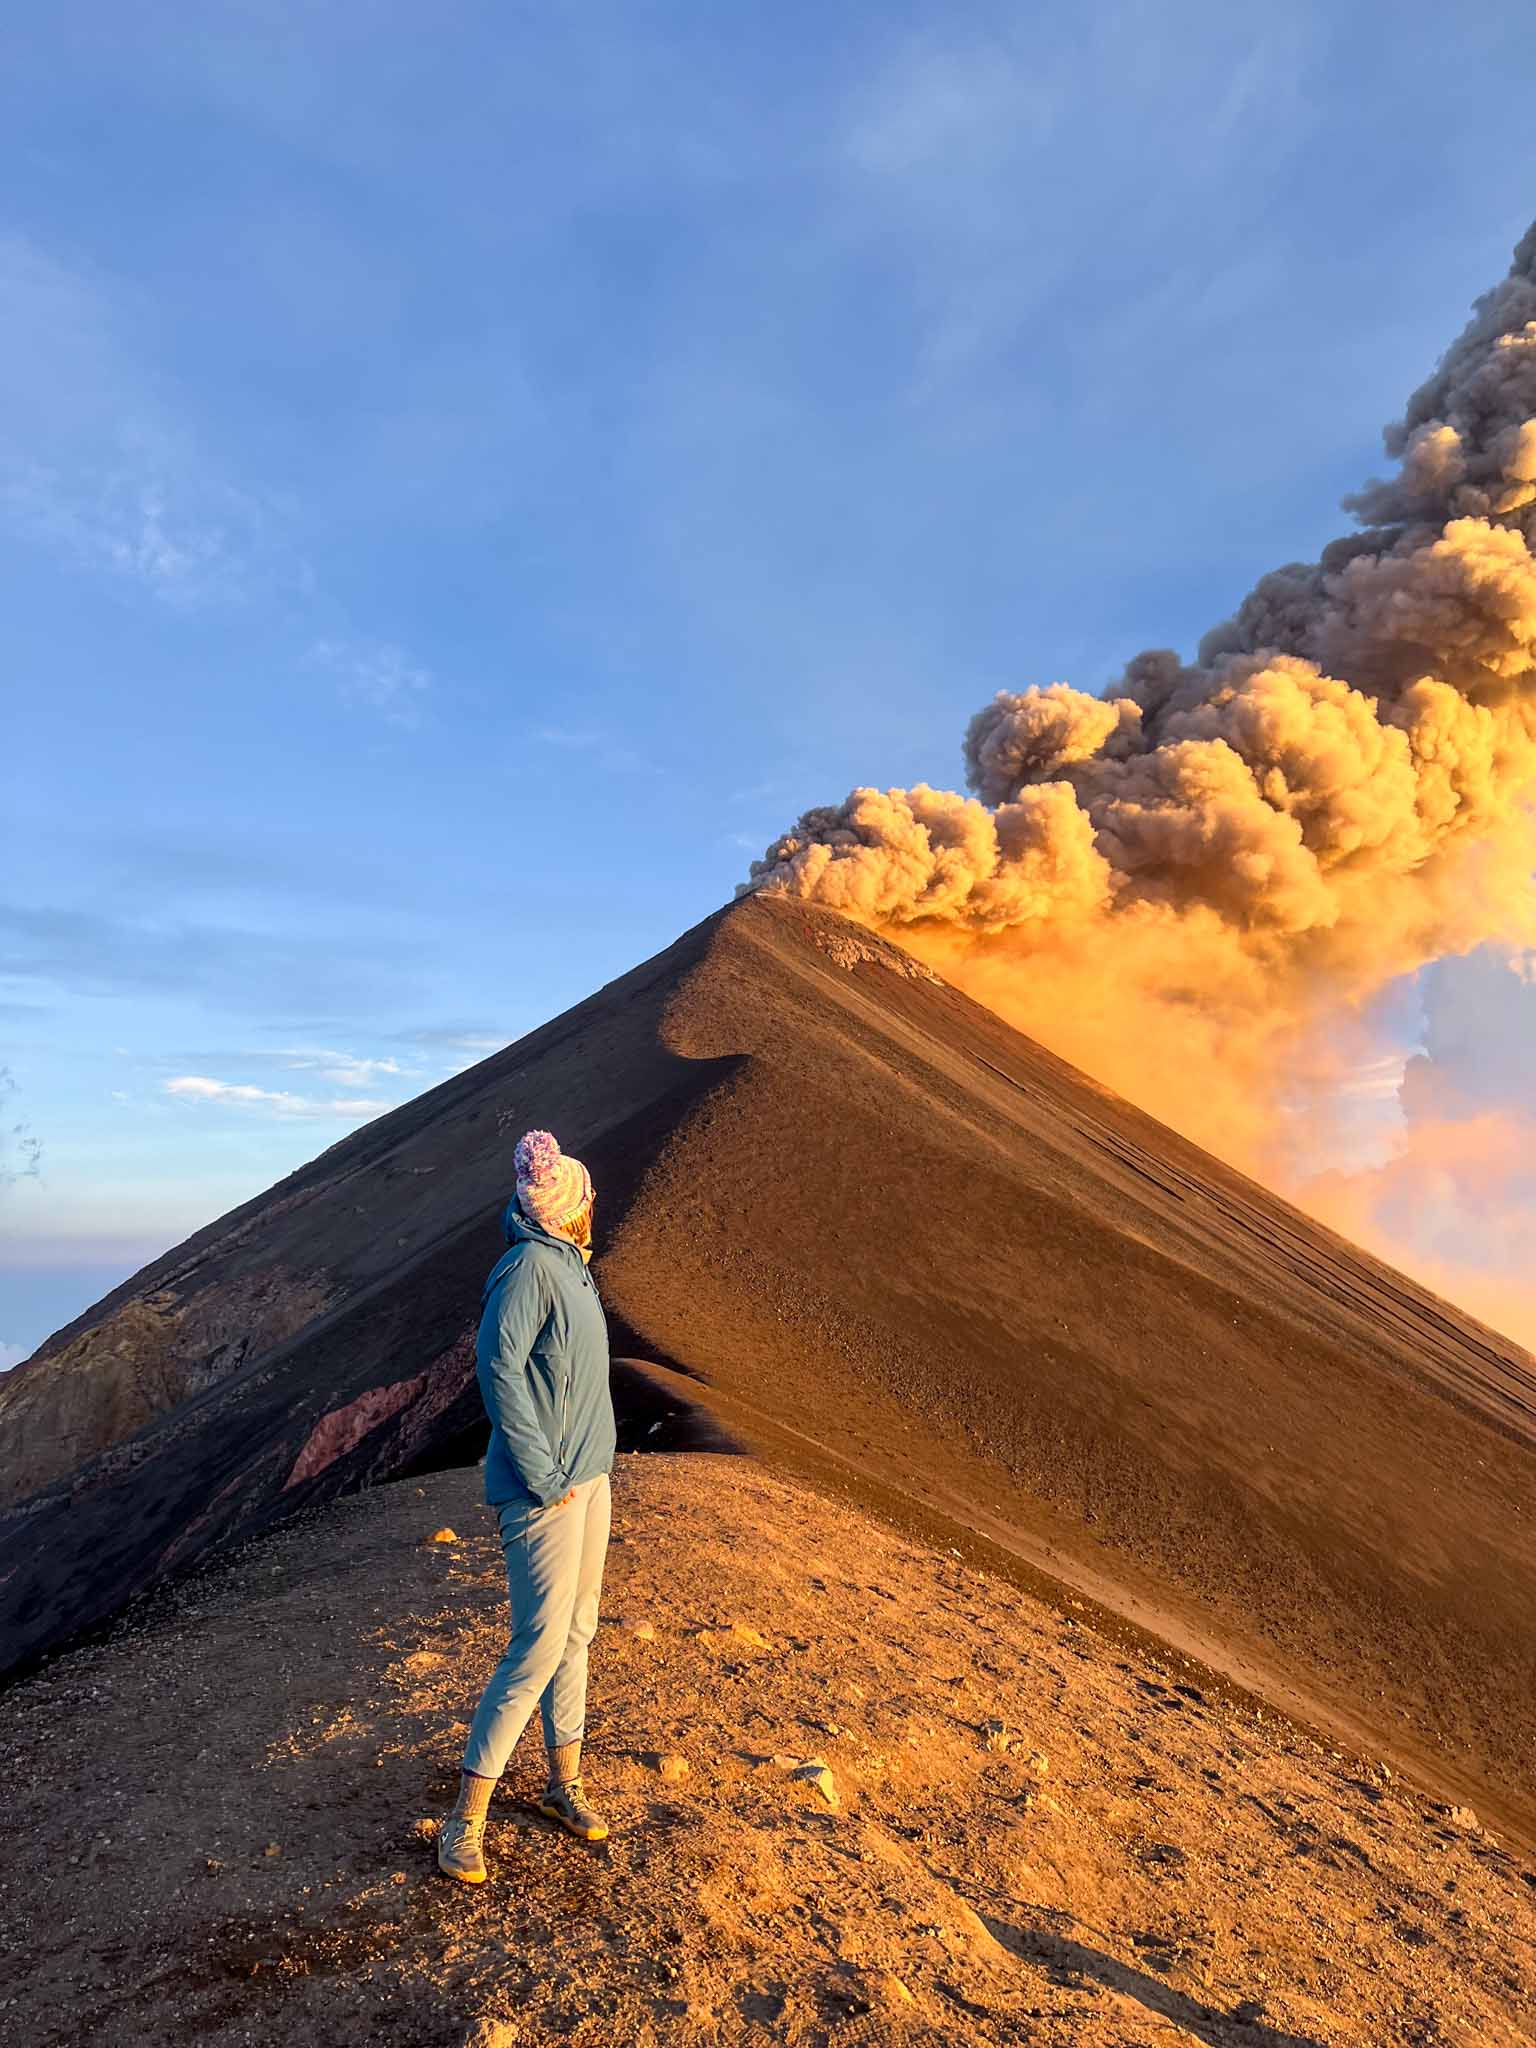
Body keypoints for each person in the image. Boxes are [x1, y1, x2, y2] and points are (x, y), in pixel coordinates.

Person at [437, 1128, 617, 1884]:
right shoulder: (528, 1269)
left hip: (589, 1476)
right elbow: (497, 1367)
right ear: (567, 1207)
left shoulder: (572, 1269)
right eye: (587, 1195)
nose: (595, 1202)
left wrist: (588, 1466)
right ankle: (463, 1820)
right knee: (538, 1644)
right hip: (546, 1487)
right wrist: (544, 1471)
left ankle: (561, 1785)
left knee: (577, 1631)